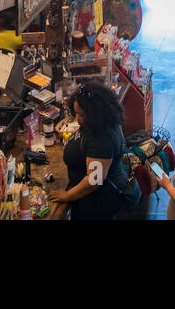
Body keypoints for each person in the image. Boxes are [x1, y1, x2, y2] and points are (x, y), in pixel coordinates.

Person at [50, 80, 134, 220]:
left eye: (82, 114)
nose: (78, 119)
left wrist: (68, 195)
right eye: (76, 113)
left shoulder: (101, 138)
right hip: (89, 199)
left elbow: (95, 179)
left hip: (96, 203)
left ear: (96, 113)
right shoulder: (102, 121)